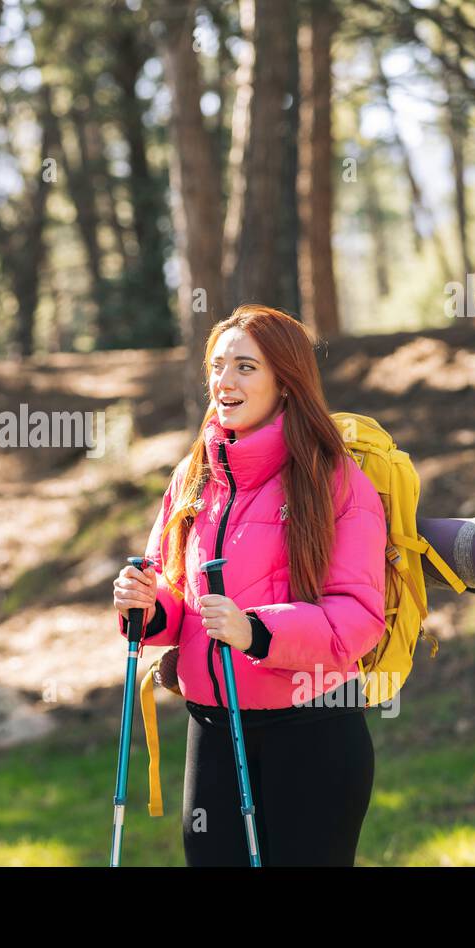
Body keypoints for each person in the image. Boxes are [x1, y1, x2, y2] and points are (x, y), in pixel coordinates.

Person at [112, 304, 386, 866]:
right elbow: (179, 602)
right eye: (217, 366)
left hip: (313, 730)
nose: (224, 382)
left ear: (286, 381)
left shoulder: (333, 480)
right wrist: (146, 603)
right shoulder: (192, 477)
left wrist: (257, 632)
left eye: (245, 367)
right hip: (212, 727)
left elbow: (358, 618)